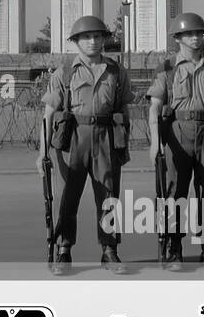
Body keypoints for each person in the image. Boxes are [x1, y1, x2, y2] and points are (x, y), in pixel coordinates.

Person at [39, 15, 135, 276]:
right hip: (73, 139)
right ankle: (63, 250)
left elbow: (123, 108)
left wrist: (122, 141)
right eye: (86, 37)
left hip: (105, 137)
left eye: (97, 36)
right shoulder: (65, 72)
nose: (92, 41)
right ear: (76, 41)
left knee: (108, 197)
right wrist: (42, 153)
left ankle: (109, 250)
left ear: (104, 39)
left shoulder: (115, 71)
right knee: (67, 199)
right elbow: (48, 114)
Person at [147, 12, 204, 270]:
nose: (195, 38)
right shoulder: (167, 69)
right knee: (175, 194)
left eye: (199, 33)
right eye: (189, 34)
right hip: (177, 132)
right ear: (178, 38)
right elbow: (154, 107)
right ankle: (174, 250)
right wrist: (155, 143)